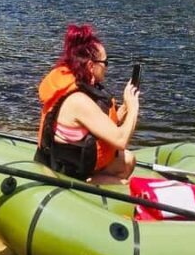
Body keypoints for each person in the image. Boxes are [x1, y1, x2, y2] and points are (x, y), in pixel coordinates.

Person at [35, 24, 140, 184]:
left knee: (128, 160)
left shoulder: (80, 87)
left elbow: (100, 125)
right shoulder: (78, 100)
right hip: (64, 172)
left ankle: (95, 186)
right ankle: (88, 191)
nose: (106, 67)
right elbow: (121, 140)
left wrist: (125, 107)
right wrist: (133, 108)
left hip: (75, 162)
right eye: (105, 62)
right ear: (91, 66)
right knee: (125, 185)